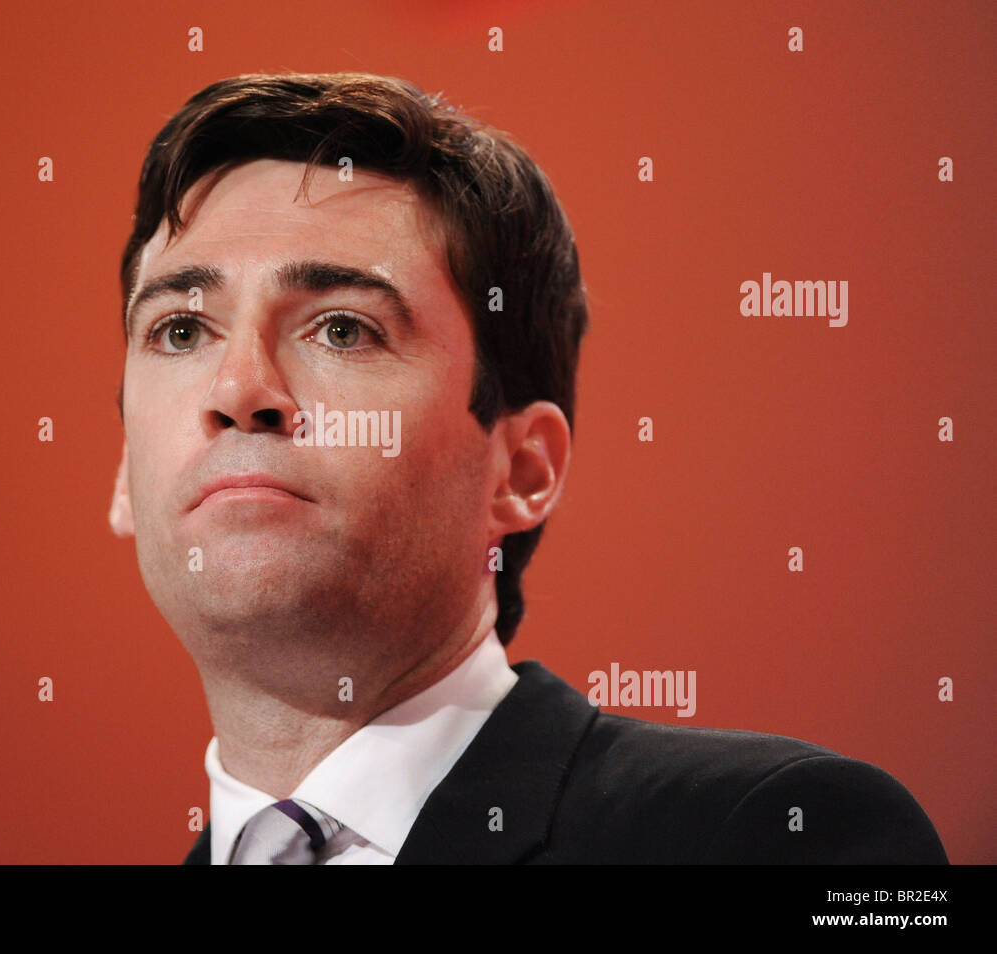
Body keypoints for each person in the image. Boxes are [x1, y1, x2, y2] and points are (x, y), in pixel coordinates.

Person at [107, 71, 947, 864]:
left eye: (342, 328)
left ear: (522, 470)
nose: (240, 390)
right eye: (180, 330)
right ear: (125, 479)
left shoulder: (778, 837)